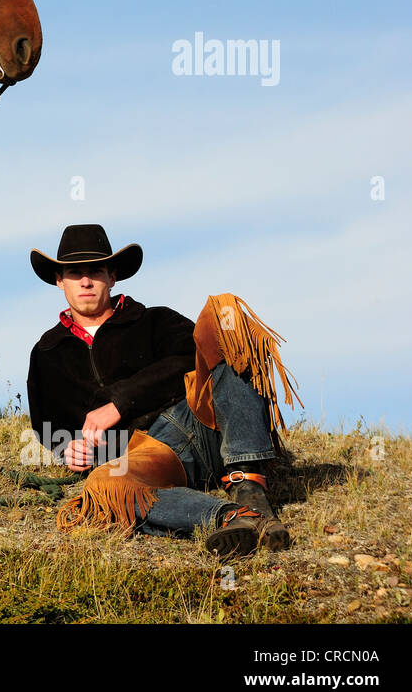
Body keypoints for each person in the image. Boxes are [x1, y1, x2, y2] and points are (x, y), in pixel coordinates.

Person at [25, 224, 297, 557]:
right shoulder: (47, 353)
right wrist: (67, 449)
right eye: (75, 272)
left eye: (95, 271)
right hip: (143, 455)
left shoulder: (154, 320)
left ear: (112, 277)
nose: (85, 281)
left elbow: (192, 358)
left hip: (201, 421)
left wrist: (120, 403)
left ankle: (248, 484)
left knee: (226, 318)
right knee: (104, 487)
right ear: (59, 280)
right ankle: (233, 518)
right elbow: (46, 423)